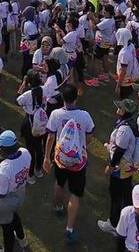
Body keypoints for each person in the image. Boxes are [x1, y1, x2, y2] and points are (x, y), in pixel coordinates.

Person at [43, 83, 94, 244]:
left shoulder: (55, 114)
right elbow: (89, 137)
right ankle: (69, 229)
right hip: (78, 162)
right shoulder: (85, 116)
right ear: (76, 98)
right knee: (75, 194)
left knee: (59, 183)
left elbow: (50, 137)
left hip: (61, 159)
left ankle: (58, 207)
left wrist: (47, 157)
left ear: (63, 98)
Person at [99, 97, 139, 236]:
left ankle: (113, 224)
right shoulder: (131, 124)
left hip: (121, 167)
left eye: (120, 107)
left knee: (116, 195)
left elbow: (119, 151)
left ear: (124, 111)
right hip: (127, 167)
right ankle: (127, 219)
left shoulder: (124, 130)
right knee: (125, 192)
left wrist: (111, 166)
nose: (117, 109)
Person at [0, 130, 31, 252]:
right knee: (14, 215)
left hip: (6, 200)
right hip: (20, 193)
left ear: (4, 150)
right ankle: (22, 240)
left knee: (7, 228)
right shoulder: (25, 153)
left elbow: (1, 193)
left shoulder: (4, 168)